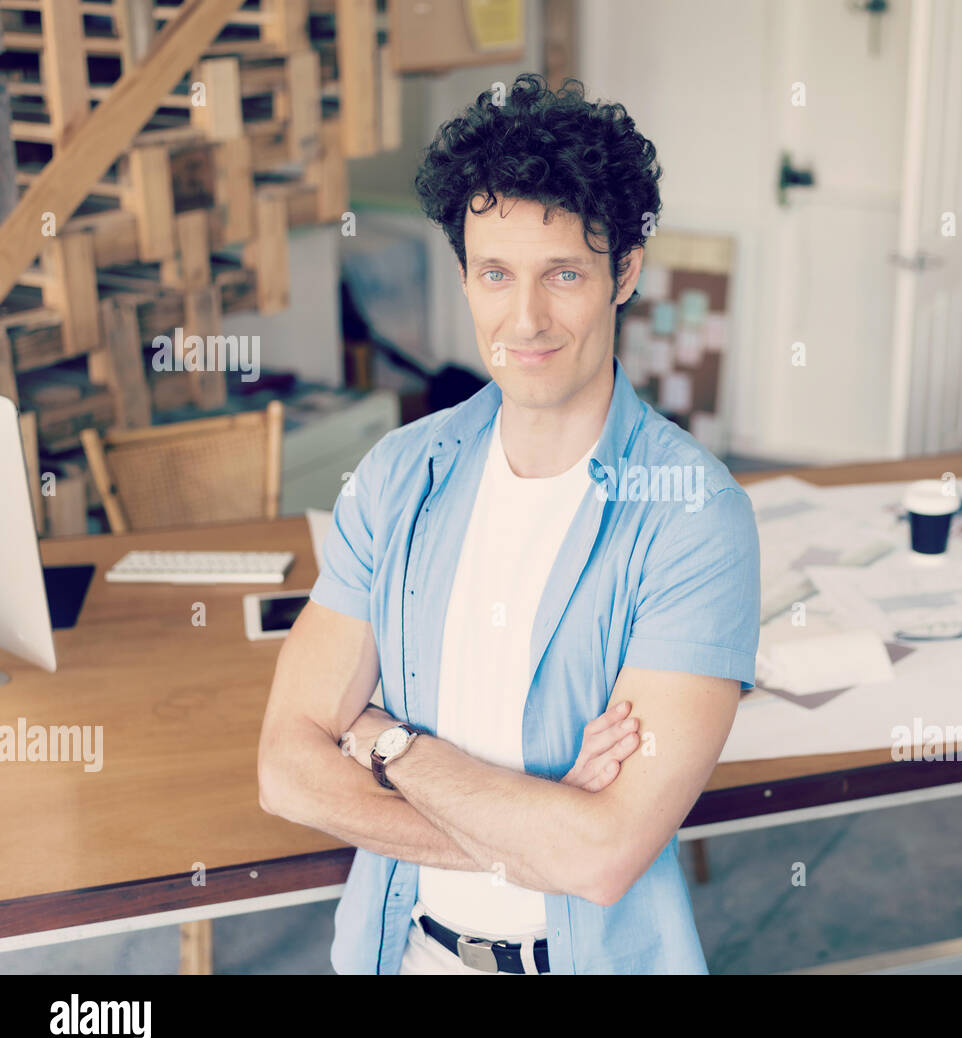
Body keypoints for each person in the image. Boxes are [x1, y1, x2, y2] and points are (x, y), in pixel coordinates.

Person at [256, 74, 761, 975]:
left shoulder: (696, 517)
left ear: (626, 272)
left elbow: (601, 860)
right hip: (399, 953)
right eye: (495, 274)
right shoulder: (398, 475)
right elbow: (287, 770)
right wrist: (531, 827)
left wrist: (383, 741)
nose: (524, 320)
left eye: (563, 273)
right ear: (465, 276)